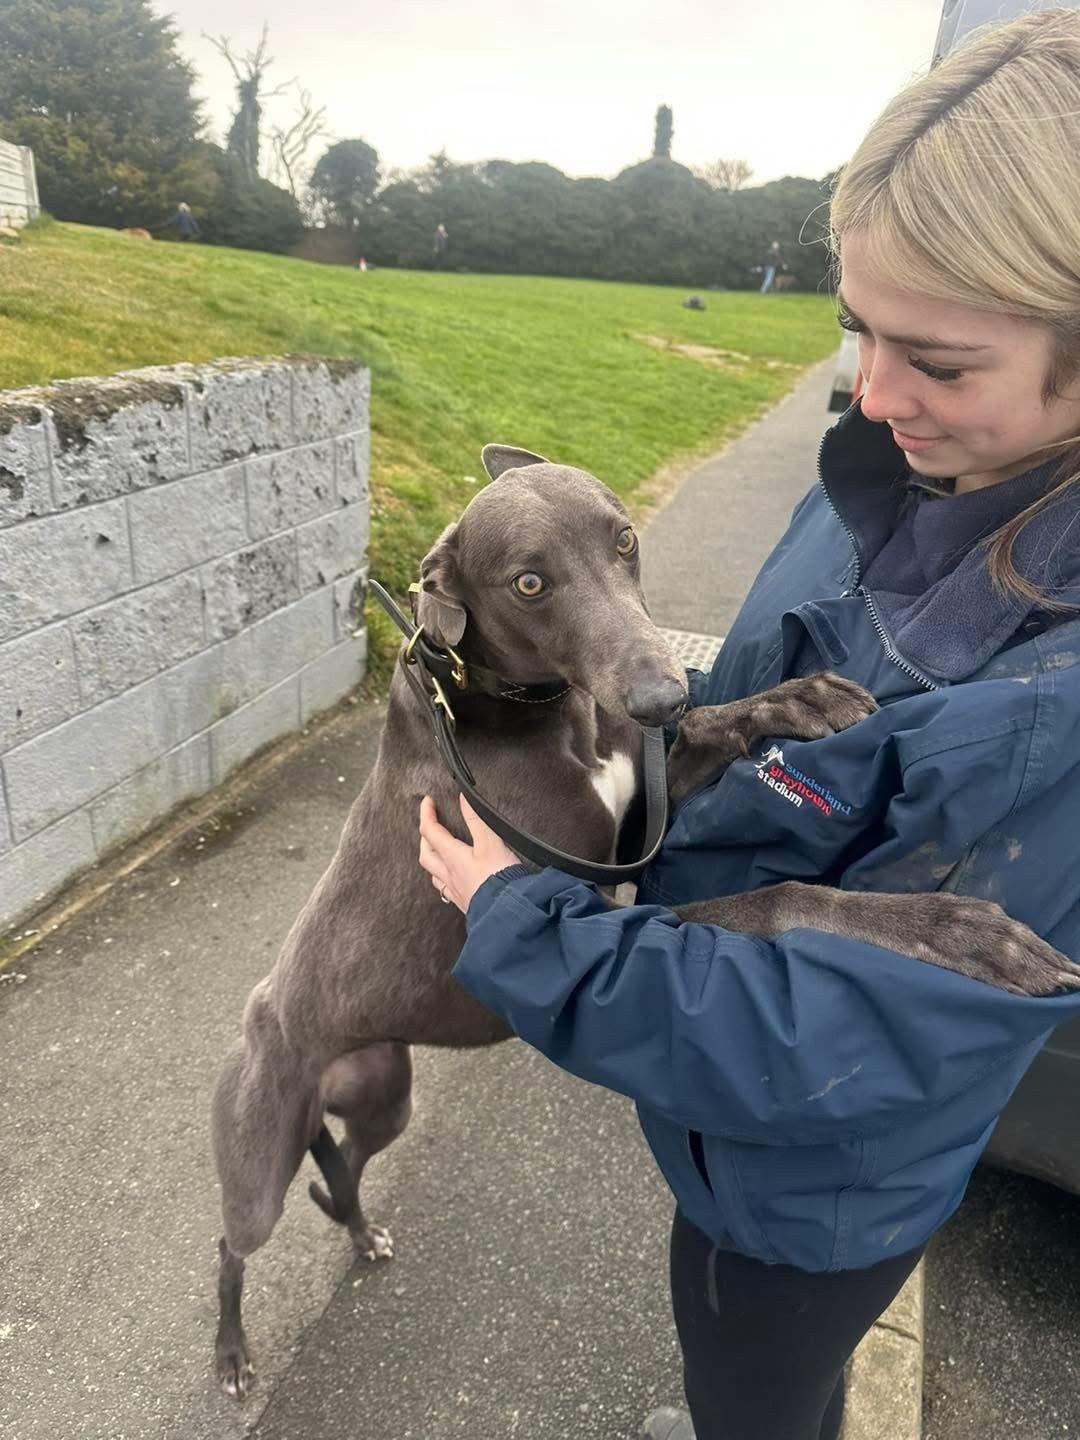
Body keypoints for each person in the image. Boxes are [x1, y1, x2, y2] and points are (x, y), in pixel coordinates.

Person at [418, 11, 1080, 1439]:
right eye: (861, 335)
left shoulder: (1059, 706)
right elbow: (784, 746)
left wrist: (514, 912)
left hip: (809, 1187)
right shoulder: (893, 469)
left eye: (939, 361)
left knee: (750, 1370)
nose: (877, 393)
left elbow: (832, 1037)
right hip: (721, 1133)